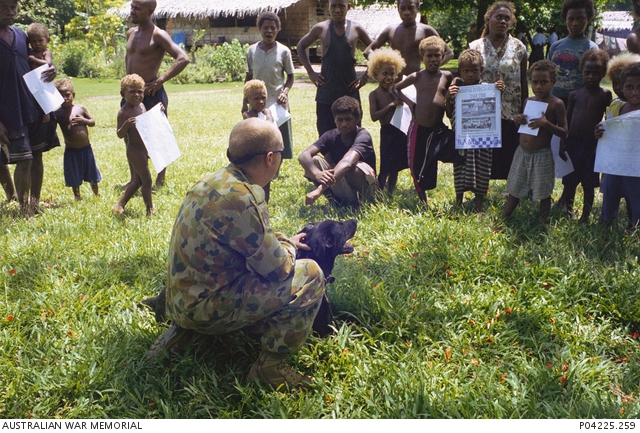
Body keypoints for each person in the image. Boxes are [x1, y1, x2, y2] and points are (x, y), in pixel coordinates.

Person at [151, 118, 325, 389]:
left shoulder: (212, 181)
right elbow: (278, 268)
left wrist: (280, 240)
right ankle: (271, 368)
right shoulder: (243, 198)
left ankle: (188, 335)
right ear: (270, 158)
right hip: (206, 310)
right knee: (310, 274)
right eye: (281, 154)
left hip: (180, 301)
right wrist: (289, 246)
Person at [124, 0, 189, 189]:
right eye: (132, 7)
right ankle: (135, 178)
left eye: (137, 8)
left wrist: (160, 80)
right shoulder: (130, 33)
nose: (133, 11)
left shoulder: (158, 36)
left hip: (151, 94)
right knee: (131, 137)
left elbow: (183, 58)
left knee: (157, 137)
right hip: (130, 95)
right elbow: (130, 60)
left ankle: (159, 180)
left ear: (150, 11)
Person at [0, 0, 57, 214]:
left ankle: (34, 203)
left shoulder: (22, 36)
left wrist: (52, 68)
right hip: (9, 112)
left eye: (13, 7)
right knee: (24, 160)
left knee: (37, 155)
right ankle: (24, 208)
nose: (10, 11)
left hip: (33, 106)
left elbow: (40, 61)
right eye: (4, 7)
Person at [395, 36, 464, 204]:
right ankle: (423, 201)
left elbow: (458, 82)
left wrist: (454, 85)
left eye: (437, 55)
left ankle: (459, 197)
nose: (433, 59)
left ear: (443, 57)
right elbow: (396, 89)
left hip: (439, 129)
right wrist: (410, 104)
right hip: (420, 129)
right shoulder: (417, 76)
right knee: (418, 165)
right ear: (422, 57)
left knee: (459, 153)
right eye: (429, 56)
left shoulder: (446, 76)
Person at [502, 60, 568, 223]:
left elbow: (564, 132)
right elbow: (524, 124)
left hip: (541, 155)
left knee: (543, 191)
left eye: (543, 82)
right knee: (515, 188)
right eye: (535, 82)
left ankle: (543, 222)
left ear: (553, 82)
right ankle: (503, 218)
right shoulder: (528, 101)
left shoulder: (556, 104)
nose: (538, 86)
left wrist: (546, 124)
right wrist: (518, 119)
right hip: (522, 153)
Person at [469, 1, 528, 181]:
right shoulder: (475, 47)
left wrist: (525, 108)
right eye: (499, 17)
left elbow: (523, 80)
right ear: (489, 19)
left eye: (507, 19)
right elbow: (468, 78)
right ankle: (481, 190)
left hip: (511, 110)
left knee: (509, 152)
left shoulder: (519, 48)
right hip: (483, 111)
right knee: (483, 154)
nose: (503, 21)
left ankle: (511, 192)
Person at [297, 0, 372, 137]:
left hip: (349, 91)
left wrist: (366, 77)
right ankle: (328, 159)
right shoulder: (320, 28)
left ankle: (350, 158)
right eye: (334, 6)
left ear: (348, 7)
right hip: (326, 92)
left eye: (341, 6)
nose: (337, 10)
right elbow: (301, 46)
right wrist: (311, 73)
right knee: (325, 131)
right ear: (328, 7)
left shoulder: (356, 29)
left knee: (352, 130)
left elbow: (375, 52)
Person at [445, 49, 505, 213]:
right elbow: (449, 114)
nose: (470, 74)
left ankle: (479, 207)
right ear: (460, 71)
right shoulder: (457, 89)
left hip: (482, 140)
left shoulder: (487, 88)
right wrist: (447, 97)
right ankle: (458, 201)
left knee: (482, 170)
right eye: (466, 71)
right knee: (460, 168)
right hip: (462, 139)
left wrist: (499, 91)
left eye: (474, 70)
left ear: (481, 71)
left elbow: (494, 111)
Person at [555, 50, 611, 222]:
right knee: (570, 182)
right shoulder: (575, 95)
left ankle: (586, 215)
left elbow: (610, 118)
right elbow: (567, 121)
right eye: (587, 73)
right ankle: (569, 210)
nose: (591, 77)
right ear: (582, 72)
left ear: (603, 73)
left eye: (596, 73)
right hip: (573, 143)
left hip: (591, 145)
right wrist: (562, 142)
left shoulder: (605, 95)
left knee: (588, 183)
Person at [298, 95, 377, 206]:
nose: (344, 124)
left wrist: (319, 190)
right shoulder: (330, 135)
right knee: (315, 161)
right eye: (340, 120)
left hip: (366, 187)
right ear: (334, 119)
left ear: (357, 118)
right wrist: (317, 174)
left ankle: (363, 203)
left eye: (348, 120)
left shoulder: (363, 136)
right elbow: (304, 155)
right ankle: (336, 202)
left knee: (355, 168)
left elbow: (347, 162)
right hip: (341, 182)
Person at [244, 11, 295, 161]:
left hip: (277, 102)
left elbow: (291, 76)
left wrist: (285, 92)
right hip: (256, 102)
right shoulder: (252, 51)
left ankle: (276, 166)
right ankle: (261, 163)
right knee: (258, 135)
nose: (269, 31)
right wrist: (244, 102)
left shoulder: (284, 51)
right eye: (265, 27)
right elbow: (248, 77)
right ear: (259, 29)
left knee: (278, 136)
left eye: (273, 28)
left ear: (278, 29)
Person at [596, 63, 640, 231]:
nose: (635, 92)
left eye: (639, 87)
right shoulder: (617, 107)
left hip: (636, 169)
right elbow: (607, 130)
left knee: (636, 199)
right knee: (610, 195)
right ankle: (605, 228)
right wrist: (599, 132)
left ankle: (634, 228)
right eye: (630, 87)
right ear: (622, 87)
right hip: (615, 165)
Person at [363, 0, 453, 79]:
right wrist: (381, 66)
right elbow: (368, 51)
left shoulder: (426, 30)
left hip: (416, 81)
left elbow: (449, 53)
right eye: (403, 8)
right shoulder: (390, 30)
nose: (407, 12)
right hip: (394, 82)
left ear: (418, 9)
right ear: (398, 9)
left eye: (410, 8)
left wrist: (432, 68)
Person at [53, 78, 101, 201]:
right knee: (73, 175)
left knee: (92, 173)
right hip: (71, 150)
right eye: (60, 96)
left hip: (86, 149)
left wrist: (83, 121)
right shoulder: (57, 113)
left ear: (73, 95)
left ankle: (96, 194)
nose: (64, 98)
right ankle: (77, 197)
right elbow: (52, 128)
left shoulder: (80, 108)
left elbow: (92, 122)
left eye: (67, 95)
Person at [112, 74, 153, 217]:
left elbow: (147, 121)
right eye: (132, 91)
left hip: (144, 148)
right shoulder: (124, 112)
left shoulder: (141, 106)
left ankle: (119, 205)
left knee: (137, 181)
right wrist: (126, 125)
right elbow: (119, 134)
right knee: (147, 180)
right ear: (123, 94)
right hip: (134, 150)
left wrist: (157, 111)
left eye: (140, 91)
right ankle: (149, 211)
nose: (137, 95)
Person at [367, 47, 406, 194]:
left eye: (392, 74)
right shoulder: (374, 94)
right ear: (376, 74)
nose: (388, 78)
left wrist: (397, 95)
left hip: (399, 130)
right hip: (387, 132)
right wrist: (391, 105)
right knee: (385, 165)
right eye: (385, 74)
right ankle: (379, 190)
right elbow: (374, 116)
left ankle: (390, 192)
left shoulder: (397, 91)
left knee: (396, 165)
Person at [547, 0, 598, 107]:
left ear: (588, 19)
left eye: (580, 19)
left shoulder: (591, 48)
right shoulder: (555, 46)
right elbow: (548, 73)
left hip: (579, 102)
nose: (575, 23)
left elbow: (594, 78)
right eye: (571, 19)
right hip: (554, 101)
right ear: (565, 19)